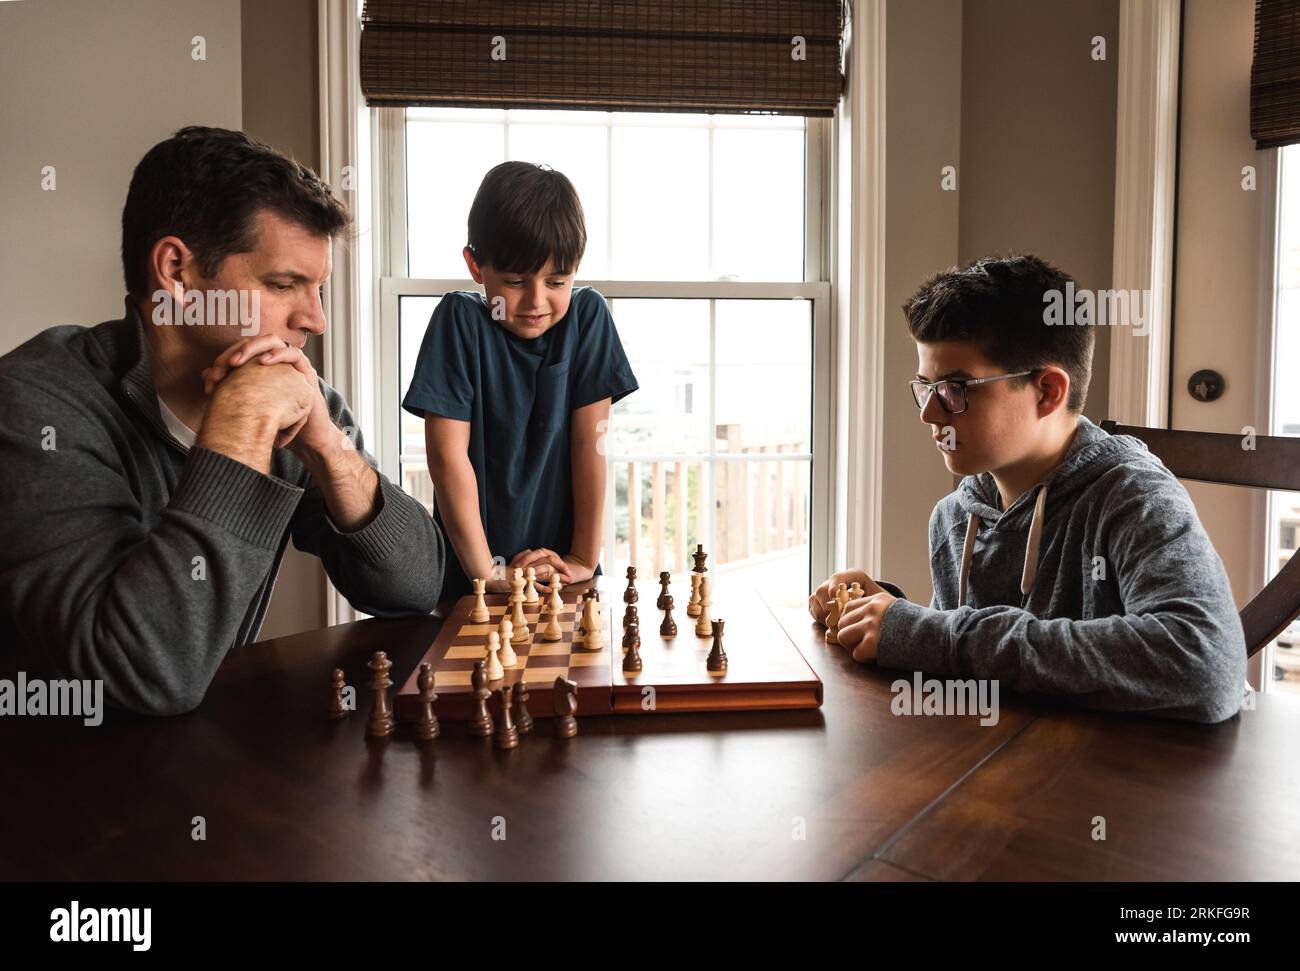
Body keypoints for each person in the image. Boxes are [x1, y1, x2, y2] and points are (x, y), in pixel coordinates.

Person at [0, 126, 445, 716]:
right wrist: (238, 434)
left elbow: (415, 588)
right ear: (177, 273)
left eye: (318, 288)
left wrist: (329, 451)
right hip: (49, 776)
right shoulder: (35, 404)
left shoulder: (296, 402)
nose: (314, 320)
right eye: (283, 285)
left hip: (195, 762)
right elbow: (142, 674)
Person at [811, 254, 1245, 723]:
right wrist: (890, 615)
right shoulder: (954, 518)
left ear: (1047, 391)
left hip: (1131, 782)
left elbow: (1204, 667)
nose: (929, 415)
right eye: (925, 387)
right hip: (1005, 778)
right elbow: (968, 661)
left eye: (956, 389)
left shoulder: (1134, 497)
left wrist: (933, 636)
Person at [403, 161, 638, 598]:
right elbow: (447, 455)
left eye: (557, 281)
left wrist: (584, 557)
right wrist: (486, 573)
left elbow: (593, 443)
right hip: (470, 577)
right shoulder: (459, 322)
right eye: (514, 281)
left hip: (564, 572)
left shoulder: (587, 317)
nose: (536, 301)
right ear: (476, 266)